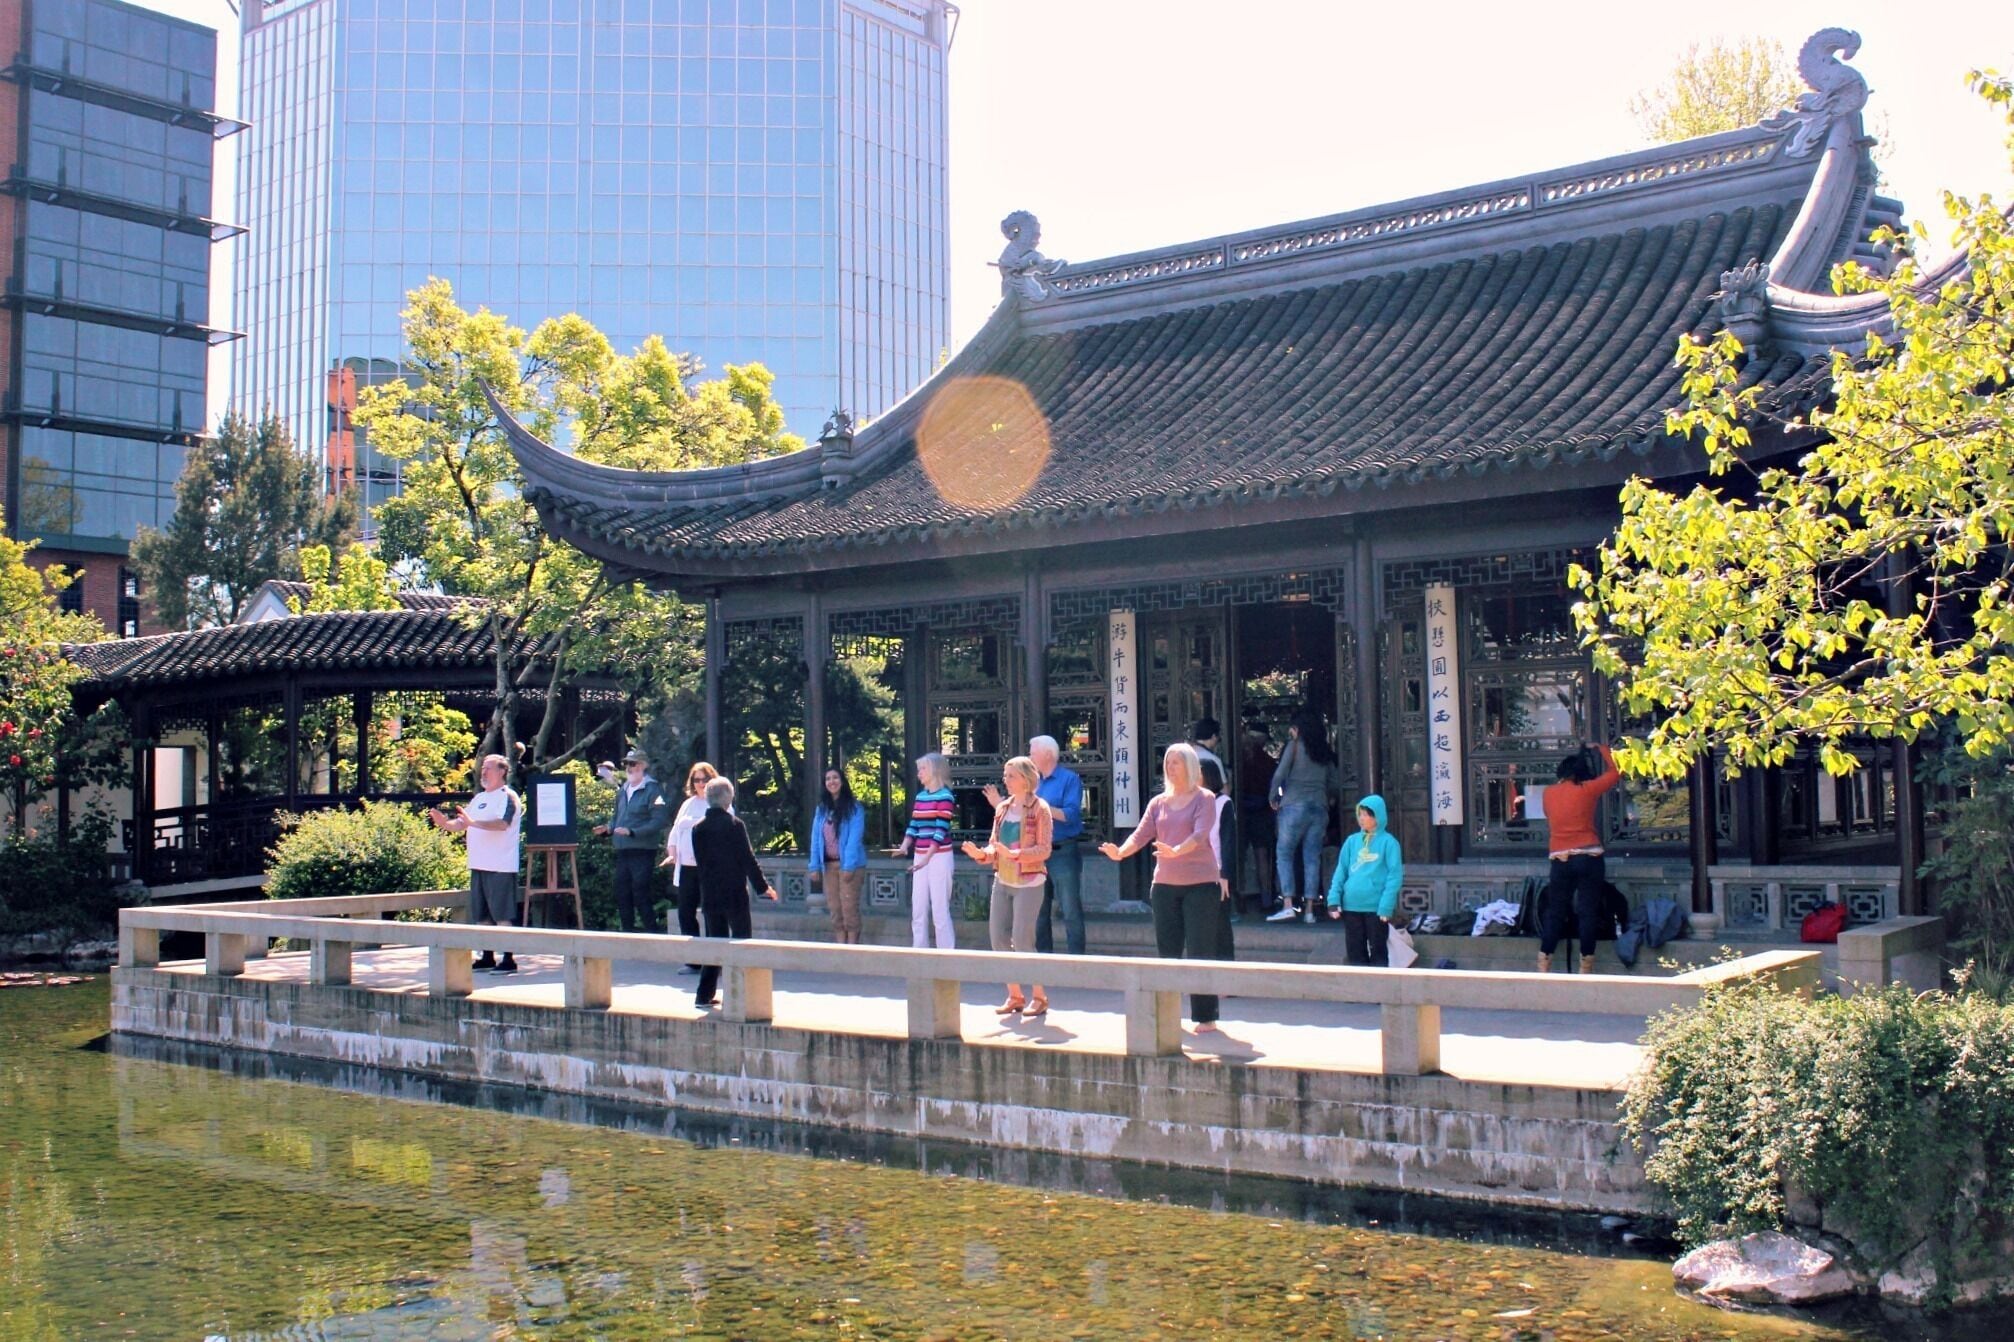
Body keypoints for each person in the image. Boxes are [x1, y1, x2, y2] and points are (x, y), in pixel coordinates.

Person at [1098, 742, 1229, 1034]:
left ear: (1190, 766)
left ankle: (1205, 1017)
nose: (1170, 768)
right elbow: (1141, 834)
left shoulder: (1204, 798)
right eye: (1168, 763)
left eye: (1176, 762)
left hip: (1201, 885)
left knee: (1200, 950)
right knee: (1167, 953)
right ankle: (1169, 1015)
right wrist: (1120, 852)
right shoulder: (1158, 803)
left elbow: (1200, 834)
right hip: (1165, 887)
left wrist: (1176, 850)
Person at [964, 755, 1054, 1016]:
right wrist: (981, 854)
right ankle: (1015, 995)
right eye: (1005, 775)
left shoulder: (1040, 808)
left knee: (1023, 940)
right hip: (1002, 879)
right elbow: (995, 845)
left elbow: (1044, 849)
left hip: (1029, 881)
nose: (1006, 779)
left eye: (1011, 775)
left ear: (1026, 779)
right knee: (998, 939)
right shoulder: (1002, 808)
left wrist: (1016, 855)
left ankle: (1039, 995)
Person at [984, 735, 1085, 956]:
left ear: (1048, 754)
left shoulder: (1069, 780)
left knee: (1070, 910)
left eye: (1032, 752)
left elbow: (1071, 814)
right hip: (1029, 856)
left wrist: (1042, 809)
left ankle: (1077, 962)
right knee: (1038, 912)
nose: (1029, 755)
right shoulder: (1029, 784)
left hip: (1062, 852)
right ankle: (1043, 961)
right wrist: (1001, 804)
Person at [427, 753, 522, 974]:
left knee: (502, 914)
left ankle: (508, 959)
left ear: (502, 772)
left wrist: (473, 823)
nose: (484, 772)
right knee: (482, 914)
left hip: (500, 865)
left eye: (489, 768)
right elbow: (461, 824)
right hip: (478, 864)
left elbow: (502, 824)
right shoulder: (479, 799)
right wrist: (444, 823)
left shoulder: (508, 797)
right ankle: (486, 956)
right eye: (483, 768)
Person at [688, 776, 779, 1008]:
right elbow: (747, 859)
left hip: (710, 894)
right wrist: (763, 887)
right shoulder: (735, 825)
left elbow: (702, 863)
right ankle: (742, 992)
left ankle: (703, 995)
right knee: (741, 943)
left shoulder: (697, 830)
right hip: (734, 893)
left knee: (714, 946)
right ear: (728, 799)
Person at [1538, 743, 1621, 974]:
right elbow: (1616, 771)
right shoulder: (1587, 789)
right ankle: (1586, 965)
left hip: (1560, 858)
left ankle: (1544, 961)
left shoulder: (1548, 794)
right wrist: (1603, 748)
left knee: (1556, 910)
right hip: (1589, 855)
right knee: (1587, 911)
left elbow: (1549, 816)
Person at [1268, 708, 1339, 923]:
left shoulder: (1295, 747)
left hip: (1294, 806)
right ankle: (1309, 909)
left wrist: (1273, 796)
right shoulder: (1325, 752)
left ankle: (1288, 903)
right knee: (1312, 857)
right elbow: (1334, 783)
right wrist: (1329, 799)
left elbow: (1280, 773)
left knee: (1284, 854)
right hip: (1319, 808)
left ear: (1299, 729)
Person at [593, 748, 671, 934]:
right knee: (622, 892)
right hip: (623, 850)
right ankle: (627, 931)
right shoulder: (624, 790)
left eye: (633, 763)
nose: (629, 767)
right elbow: (617, 818)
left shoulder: (654, 789)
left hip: (642, 850)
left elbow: (659, 821)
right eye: (627, 763)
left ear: (643, 766)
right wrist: (607, 830)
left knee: (640, 891)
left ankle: (652, 932)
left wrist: (633, 832)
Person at [1324, 795, 1403, 966]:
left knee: (1378, 954)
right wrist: (1333, 899)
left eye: (1367, 814)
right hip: (1351, 905)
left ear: (1378, 816)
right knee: (1355, 953)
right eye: (1360, 814)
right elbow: (1341, 871)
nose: (1362, 818)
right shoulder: (1352, 841)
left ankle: (1378, 990)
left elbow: (1394, 876)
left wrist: (1386, 906)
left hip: (1375, 907)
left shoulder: (1389, 843)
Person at [892, 752, 956, 948]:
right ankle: (919, 953)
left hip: (939, 856)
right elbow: (914, 825)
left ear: (935, 770)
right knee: (918, 909)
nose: (919, 773)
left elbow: (940, 830)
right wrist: (904, 846)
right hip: (921, 856)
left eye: (923, 769)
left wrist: (926, 857)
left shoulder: (945, 796)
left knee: (939, 909)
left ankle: (946, 955)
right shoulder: (920, 796)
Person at [661, 762, 722, 967]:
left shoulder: (718, 802)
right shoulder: (687, 804)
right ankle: (694, 960)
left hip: (709, 866)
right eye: (697, 780)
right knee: (685, 911)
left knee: (710, 911)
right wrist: (672, 852)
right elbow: (676, 831)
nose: (701, 783)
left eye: (705, 779)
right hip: (686, 866)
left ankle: (713, 959)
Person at [808, 765, 868, 944]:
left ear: (842, 781)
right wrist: (814, 865)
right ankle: (840, 946)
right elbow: (815, 838)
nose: (831, 782)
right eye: (828, 779)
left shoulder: (854, 808)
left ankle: (852, 948)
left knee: (849, 907)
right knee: (835, 908)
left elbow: (854, 840)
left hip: (850, 866)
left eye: (835, 778)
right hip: (829, 866)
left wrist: (848, 866)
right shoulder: (822, 809)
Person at [1236, 722, 1278, 915]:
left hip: (1241, 811)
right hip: (1261, 812)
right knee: (1262, 856)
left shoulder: (1237, 759)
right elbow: (1275, 790)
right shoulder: (1269, 763)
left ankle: (1239, 897)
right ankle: (1266, 898)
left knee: (1240, 855)